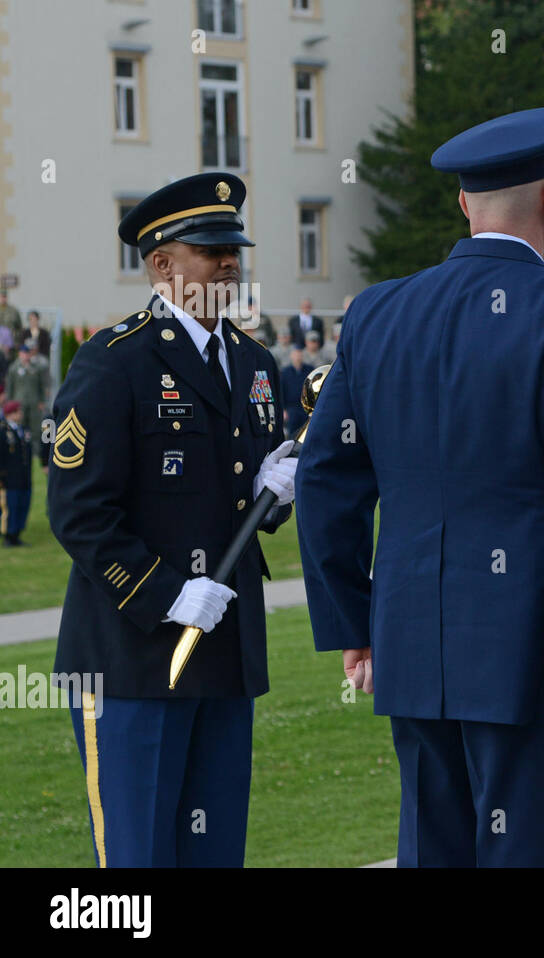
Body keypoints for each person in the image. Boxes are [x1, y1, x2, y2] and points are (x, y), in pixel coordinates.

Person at [296, 107, 544, 867]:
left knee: (433, 851)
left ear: (464, 203)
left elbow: (324, 476)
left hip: (410, 639)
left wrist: (355, 622)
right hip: (533, 647)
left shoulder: (377, 312)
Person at [46, 172, 299, 867]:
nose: (228, 262)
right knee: (139, 863)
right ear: (161, 265)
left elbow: (234, 496)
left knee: (215, 856)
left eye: (233, 249)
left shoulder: (252, 362)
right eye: (209, 249)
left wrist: (277, 492)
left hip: (222, 653)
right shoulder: (115, 362)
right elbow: (77, 510)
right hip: (134, 656)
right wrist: (165, 594)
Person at [5, 344, 50, 471]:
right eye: (23, 353)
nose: (25, 356)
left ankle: (35, 453)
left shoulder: (36, 367)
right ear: (20, 354)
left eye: (27, 353)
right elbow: (10, 386)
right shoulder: (14, 368)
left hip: (34, 402)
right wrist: (10, 403)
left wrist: (42, 400)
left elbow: (42, 385)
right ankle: (19, 450)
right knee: (20, 427)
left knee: (35, 429)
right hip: (19, 404)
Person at [0, 399, 33, 546]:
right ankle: (9, 536)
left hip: (23, 476)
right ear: (10, 413)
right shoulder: (2, 431)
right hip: (9, 478)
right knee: (10, 506)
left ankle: (17, 533)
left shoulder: (24, 429)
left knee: (22, 504)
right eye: (17, 411)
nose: (20, 413)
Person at [280, 347, 310, 436]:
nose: (298, 357)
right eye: (295, 354)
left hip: (306, 408)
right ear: (291, 356)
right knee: (292, 435)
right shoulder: (285, 372)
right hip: (291, 408)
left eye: (299, 354)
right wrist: (283, 409)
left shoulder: (309, 369)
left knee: (306, 434)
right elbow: (281, 391)